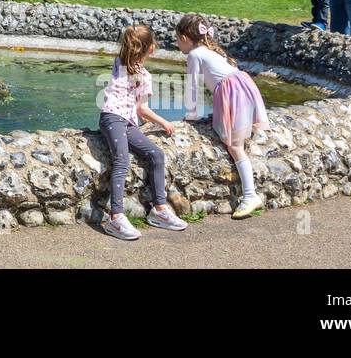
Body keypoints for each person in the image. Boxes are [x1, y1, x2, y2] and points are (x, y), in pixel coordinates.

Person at [97, 24, 188, 240]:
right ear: (152, 49)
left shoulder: (119, 62)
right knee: (121, 160)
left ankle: (159, 210)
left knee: (156, 154)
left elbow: (137, 112)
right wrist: (164, 122)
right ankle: (115, 218)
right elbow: (143, 110)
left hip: (126, 122)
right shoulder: (138, 73)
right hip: (112, 118)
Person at [177, 13, 269, 219]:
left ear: (184, 38)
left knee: (234, 146)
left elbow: (193, 87)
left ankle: (250, 195)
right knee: (233, 137)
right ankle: (249, 194)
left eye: (177, 40)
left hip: (233, 92)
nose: (177, 45)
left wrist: (191, 115)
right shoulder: (209, 51)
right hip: (241, 86)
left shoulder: (194, 55)